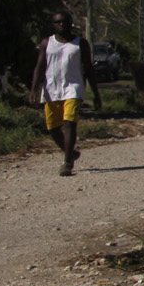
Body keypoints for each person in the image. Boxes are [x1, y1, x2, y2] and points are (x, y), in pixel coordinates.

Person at [29, 10, 101, 177]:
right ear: (53, 25)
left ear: (70, 23)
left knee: (69, 123)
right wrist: (34, 89)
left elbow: (89, 68)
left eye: (65, 21)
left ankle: (67, 163)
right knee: (53, 128)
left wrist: (96, 93)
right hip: (51, 89)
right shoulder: (47, 43)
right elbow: (40, 67)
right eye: (58, 22)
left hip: (73, 88)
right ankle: (71, 152)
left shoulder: (80, 43)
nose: (62, 24)